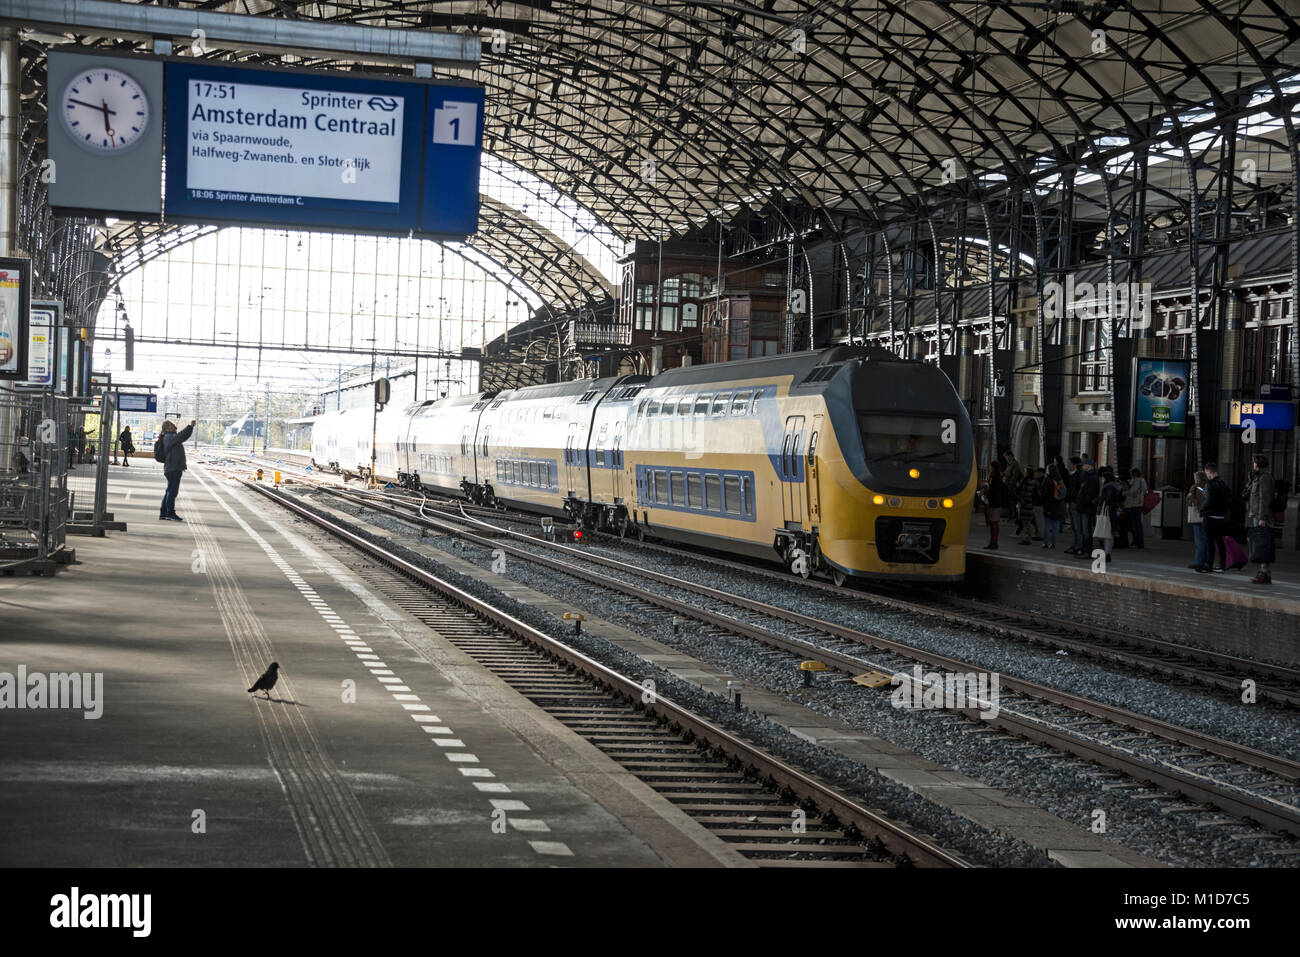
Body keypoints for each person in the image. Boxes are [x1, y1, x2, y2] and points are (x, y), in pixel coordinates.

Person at [1246, 454, 1276, 585]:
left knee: (1263, 545)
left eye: (1254, 462)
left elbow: (1265, 498)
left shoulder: (1264, 478)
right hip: (1256, 515)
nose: (1253, 464)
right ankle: (1263, 572)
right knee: (1259, 544)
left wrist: (1262, 517)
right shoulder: (1258, 477)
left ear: (1258, 464)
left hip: (1261, 516)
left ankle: (1264, 573)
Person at [159, 419, 196, 522]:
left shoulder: (170, 437)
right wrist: (190, 427)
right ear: (167, 428)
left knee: (169, 491)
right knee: (172, 492)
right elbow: (181, 436)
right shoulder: (169, 437)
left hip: (172, 468)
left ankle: (164, 513)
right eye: (171, 425)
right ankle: (170, 513)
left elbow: (181, 437)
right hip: (173, 468)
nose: (174, 425)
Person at [1202, 463, 1232, 574]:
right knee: (1220, 541)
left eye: (1207, 473)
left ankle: (1208, 565)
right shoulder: (1224, 483)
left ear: (1209, 471)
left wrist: (1203, 509)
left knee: (1209, 541)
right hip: (1220, 516)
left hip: (1210, 516)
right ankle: (1222, 566)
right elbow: (1229, 498)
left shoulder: (1210, 484)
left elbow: (1208, 501)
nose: (1207, 476)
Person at [1095, 467, 1124, 563]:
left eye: (1103, 478)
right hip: (1112, 512)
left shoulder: (1109, 487)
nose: (1101, 480)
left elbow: (1107, 499)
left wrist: (1100, 502)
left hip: (1108, 513)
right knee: (1109, 534)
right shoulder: (1115, 486)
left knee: (1107, 534)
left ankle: (1107, 554)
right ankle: (1107, 553)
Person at [1072, 460, 1100, 556]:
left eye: (1084, 465)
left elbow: (1091, 494)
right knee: (1083, 530)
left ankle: (1088, 551)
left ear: (1090, 467)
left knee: (1086, 530)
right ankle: (1085, 550)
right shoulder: (1086, 477)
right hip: (1083, 507)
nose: (1082, 467)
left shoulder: (1092, 478)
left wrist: (1083, 502)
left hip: (1086, 508)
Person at [1187, 471, 1209, 573]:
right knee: (1202, 540)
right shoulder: (1205, 486)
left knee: (1199, 541)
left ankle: (1199, 561)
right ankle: (1202, 561)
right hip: (1204, 516)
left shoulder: (1198, 487)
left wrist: (1191, 493)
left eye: (1195, 478)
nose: (1195, 480)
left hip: (1199, 516)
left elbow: (1197, 501)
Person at [982, 461, 1007, 550]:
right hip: (995, 502)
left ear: (993, 468)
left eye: (990, 467)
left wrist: (987, 489)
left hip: (994, 503)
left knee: (993, 523)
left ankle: (994, 542)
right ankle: (993, 541)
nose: (989, 468)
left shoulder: (995, 477)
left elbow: (993, 490)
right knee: (993, 523)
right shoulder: (997, 477)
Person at [1041, 464, 1066, 550]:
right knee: (1056, 526)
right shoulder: (1059, 479)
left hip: (1049, 505)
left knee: (1047, 526)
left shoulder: (1047, 479)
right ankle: (1053, 544)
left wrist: (1046, 507)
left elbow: (1044, 494)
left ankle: (1045, 543)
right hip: (1058, 505)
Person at [1123, 467, 1148, 549]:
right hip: (1139, 504)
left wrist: (1123, 493)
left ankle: (1138, 542)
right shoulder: (1142, 480)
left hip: (1134, 504)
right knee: (1136, 523)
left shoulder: (1137, 481)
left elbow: (1132, 491)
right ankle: (1138, 542)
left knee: (1135, 524)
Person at [1065, 456, 1084, 552]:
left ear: (1075, 465)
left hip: (1075, 503)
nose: (1068, 465)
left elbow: (1076, 490)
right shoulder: (1075, 475)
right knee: (1074, 526)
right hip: (1072, 502)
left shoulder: (1078, 475)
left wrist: (1074, 500)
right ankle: (1076, 544)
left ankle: (1079, 546)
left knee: (1077, 527)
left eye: (1070, 463)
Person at [1017, 470, 1040, 544]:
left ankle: (1027, 538)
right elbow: (1036, 494)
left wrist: (1020, 499)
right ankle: (1030, 536)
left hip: (1024, 502)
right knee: (1028, 521)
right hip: (1030, 503)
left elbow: (1018, 491)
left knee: (1025, 522)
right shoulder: (1035, 482)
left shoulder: (1023, 481)